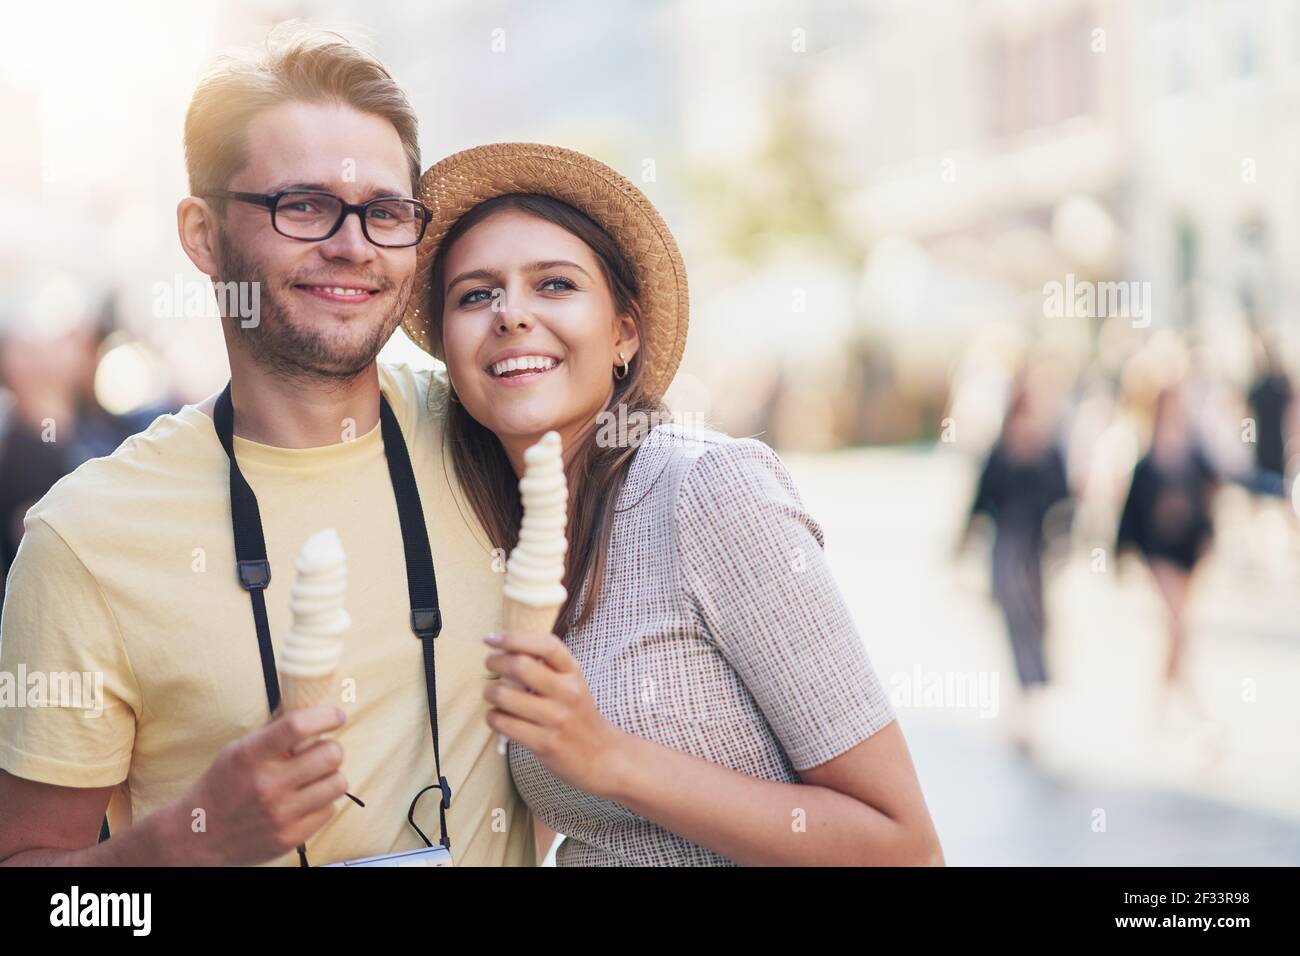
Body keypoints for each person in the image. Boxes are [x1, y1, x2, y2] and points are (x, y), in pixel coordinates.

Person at [0, 25, 534, 867]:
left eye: (386, 212)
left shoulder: (496, 434)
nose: (353, 244)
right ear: (203, 235)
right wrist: (187, 842)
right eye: (304, 204)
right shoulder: (84, 539)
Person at [399, 143, 944, 865]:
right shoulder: (499, 535)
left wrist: (610, 758)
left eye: (554, 284)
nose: (511, 315)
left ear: (625, 333)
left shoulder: (706, 490)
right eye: (475, 294)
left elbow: (903, 846)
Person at [960, 379, 1070, 749]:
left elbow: (1062, 501)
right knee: (1015, 616)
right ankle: (1024, 691)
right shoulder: (1002, 452)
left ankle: (1035, 686)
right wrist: (962, 544)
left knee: (1036, 620)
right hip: (1007, 548)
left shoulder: (1049, 452)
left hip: (1036, 551)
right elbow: (980, 500)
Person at [1116, 384, 1217, 715]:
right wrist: (1121, 552)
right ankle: (1196, 705)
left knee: (1179, 626)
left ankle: (1160, 702)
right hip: (1159, 550)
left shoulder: (1195, 455)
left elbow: (1209, 500)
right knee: (1177, 624)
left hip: (1187, 550)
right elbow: (1133, 509)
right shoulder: (1148, 460)